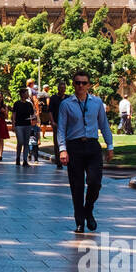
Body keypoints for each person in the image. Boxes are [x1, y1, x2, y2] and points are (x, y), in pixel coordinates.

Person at [57, 69, 115, 234]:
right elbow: (61, 128)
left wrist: (109, 146)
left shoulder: (96, 103)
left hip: (92, 147)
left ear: (89, 85)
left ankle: (88, 209)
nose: (81, 86)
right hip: (74, 147)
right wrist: (63, 149)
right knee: (77, 187)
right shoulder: (66, 104)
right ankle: (80, 221)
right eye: (77, 83)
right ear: (73, 85)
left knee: (95, 182)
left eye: (84, 83)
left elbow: (104, 125)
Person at [13, 87, 37, 167]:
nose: (28, 94)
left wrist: (34, 118)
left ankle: (25, 160)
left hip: (27, 125)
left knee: (26, 143)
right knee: (20, 142)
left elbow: (32, 114)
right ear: (22, 94)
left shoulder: (29, 104)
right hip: (19, 125)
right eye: (26, 93)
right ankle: (17, 157)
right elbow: (14, 115)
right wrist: (13, 124)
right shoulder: (17, 103)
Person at [49, 82, 68, 170]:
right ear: (58, 89)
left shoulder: (68, 98)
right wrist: (52, 122)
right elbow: (50, 111)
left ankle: (67, 159)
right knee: (57, 143)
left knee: (68, 142)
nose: (62, 89)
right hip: (57, 123)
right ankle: (58, 161)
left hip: (67, 124)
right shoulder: (53, 98)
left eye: (64, 88)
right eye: (61, 88)